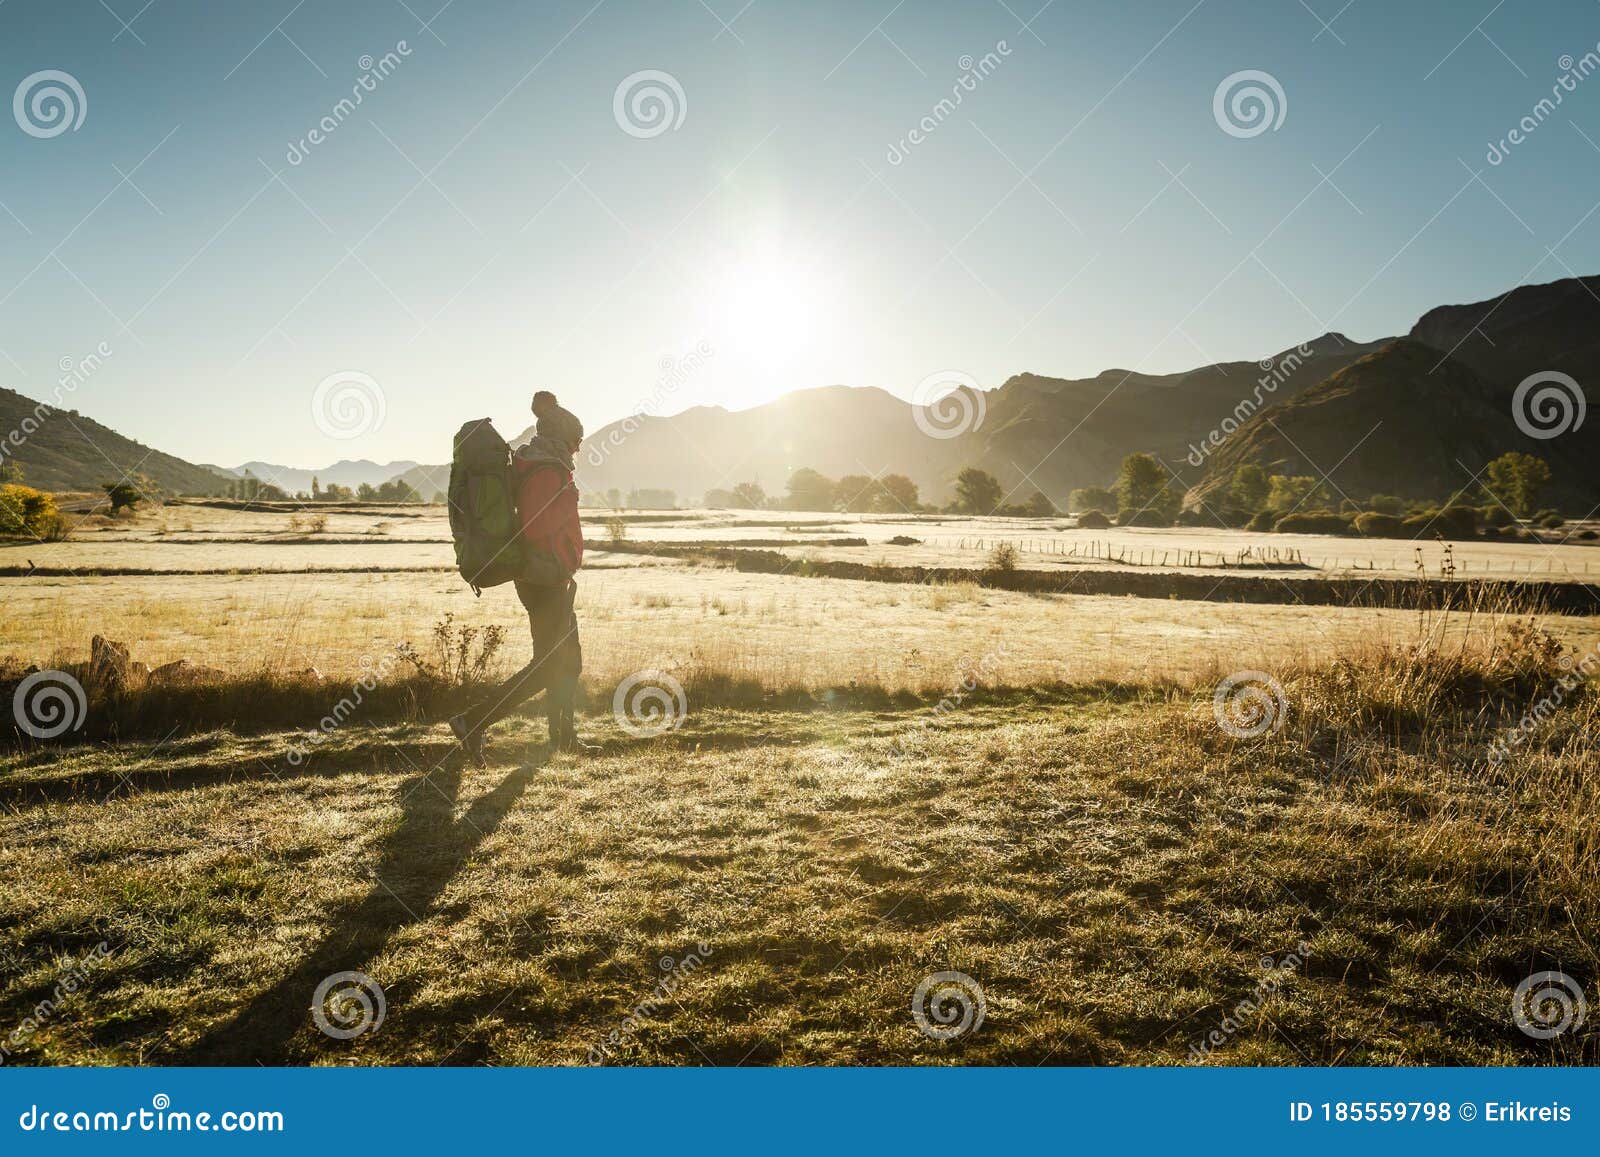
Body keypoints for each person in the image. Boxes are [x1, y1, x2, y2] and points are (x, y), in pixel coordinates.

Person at [450, 391, 594, 759]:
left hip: (549, 575)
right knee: (548, 666)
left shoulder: (543, 463)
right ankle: (473, 721)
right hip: (542, 579)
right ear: (563, 438)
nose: (577, 450)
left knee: (567, 661)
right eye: (576, 442)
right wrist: (568, 499)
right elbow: (536, 525)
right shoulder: (547, 470)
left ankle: (562, 739)